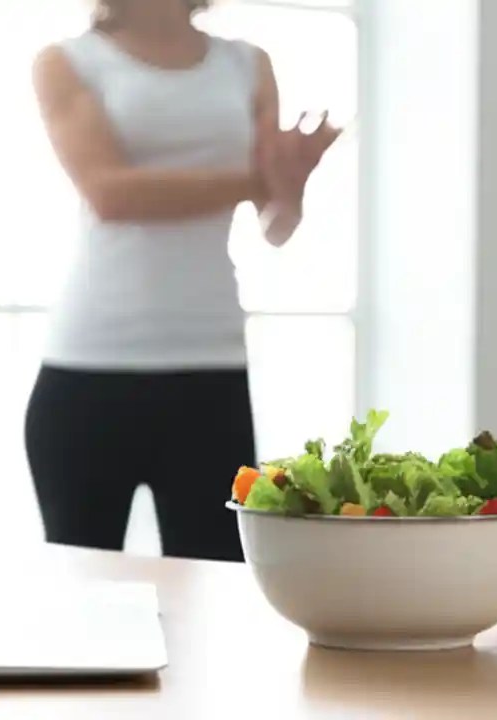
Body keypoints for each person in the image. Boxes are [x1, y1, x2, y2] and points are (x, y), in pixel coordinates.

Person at [24, 0, 341, 561]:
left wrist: (292, 178)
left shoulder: (249, 64)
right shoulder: (67, 61)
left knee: (220, 587)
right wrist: (255, 178)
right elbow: (111, 195)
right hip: (91, 367)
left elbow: (278, 222)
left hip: (211, 366)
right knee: (82, 590)